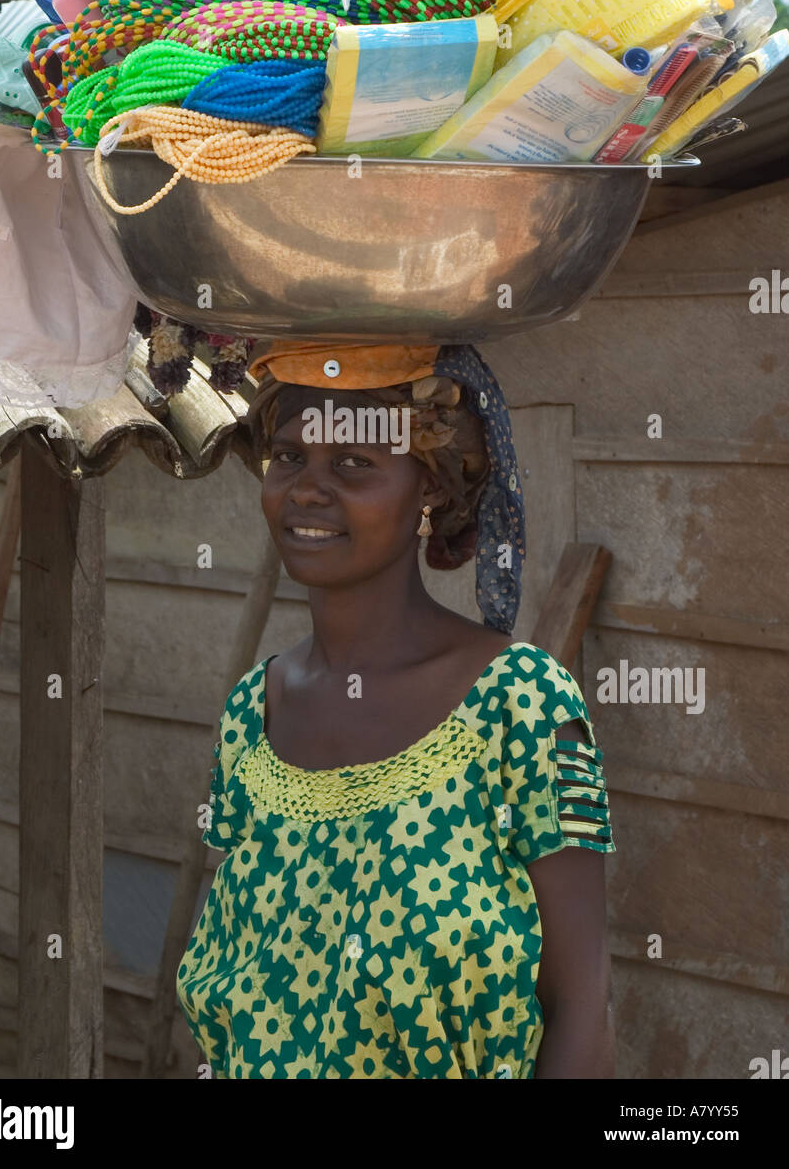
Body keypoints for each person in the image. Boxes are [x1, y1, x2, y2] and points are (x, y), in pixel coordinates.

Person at [177, 341, 616, 1079]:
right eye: (288, 458)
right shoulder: (255, 713)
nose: (308, 490)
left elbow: (582, 1014)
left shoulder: (521, 706)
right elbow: (233, 1000)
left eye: (354, 464)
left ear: (430, 491)